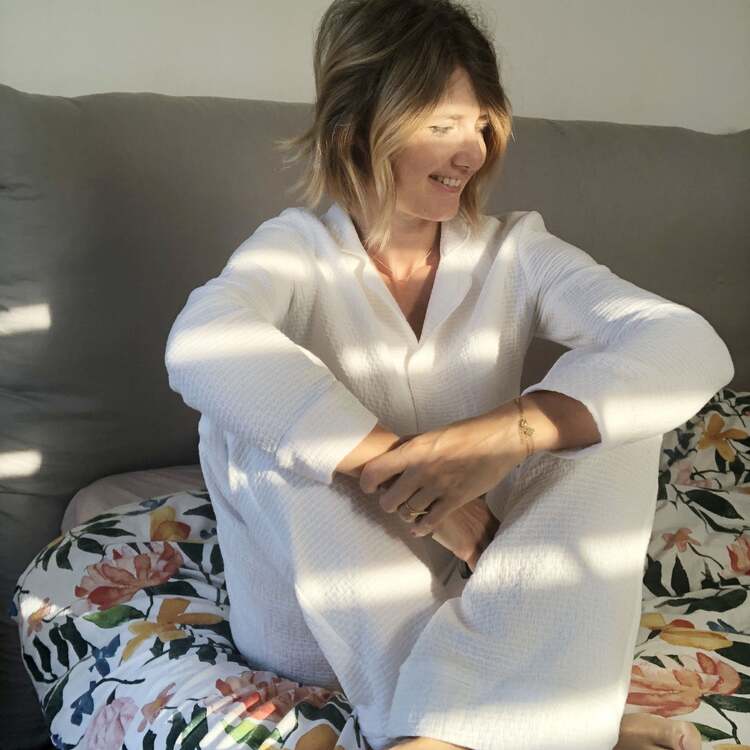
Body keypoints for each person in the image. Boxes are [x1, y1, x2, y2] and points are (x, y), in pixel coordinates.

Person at [164, 1, 734, 748]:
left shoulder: (515, 251)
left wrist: (507, 434)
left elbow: (689, 342)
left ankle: (459, 725)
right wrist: (413, 481)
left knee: (619, 416)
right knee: (248, 413)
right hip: (329, 629)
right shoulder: (294, 250)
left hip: (488, 591)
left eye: (482, 125)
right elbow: (200, 342)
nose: (471, 151)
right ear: (357, 126)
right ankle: (539, 718)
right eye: (443, 125)